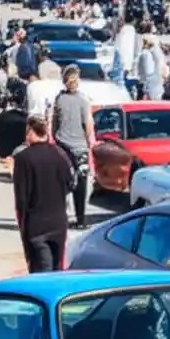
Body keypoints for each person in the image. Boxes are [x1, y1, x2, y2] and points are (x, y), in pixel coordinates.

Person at [12, 115, 73, 273]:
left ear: (31, 132)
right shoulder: (60, 155)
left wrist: (23, 221)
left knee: (41, 268)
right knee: (56, 266)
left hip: (36, 222)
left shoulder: (23, 158)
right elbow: (70, 183)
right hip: (58, 220)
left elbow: (21, 196)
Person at [50, 65, 95, 229]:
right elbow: (88, 125)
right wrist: (91, 143)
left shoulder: (59, 99)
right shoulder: (84, 100)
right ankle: (81, 219)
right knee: (81, 184)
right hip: (79, 147)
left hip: (63, 145)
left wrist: (54, 137)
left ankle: (61, 216)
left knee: (63, 183)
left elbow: (54, 122)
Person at [136, 35, 163, 100]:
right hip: (151, 88)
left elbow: (147, 73)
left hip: (149, 87)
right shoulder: (148, 54)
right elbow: (148, 73)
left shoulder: (146, 54)